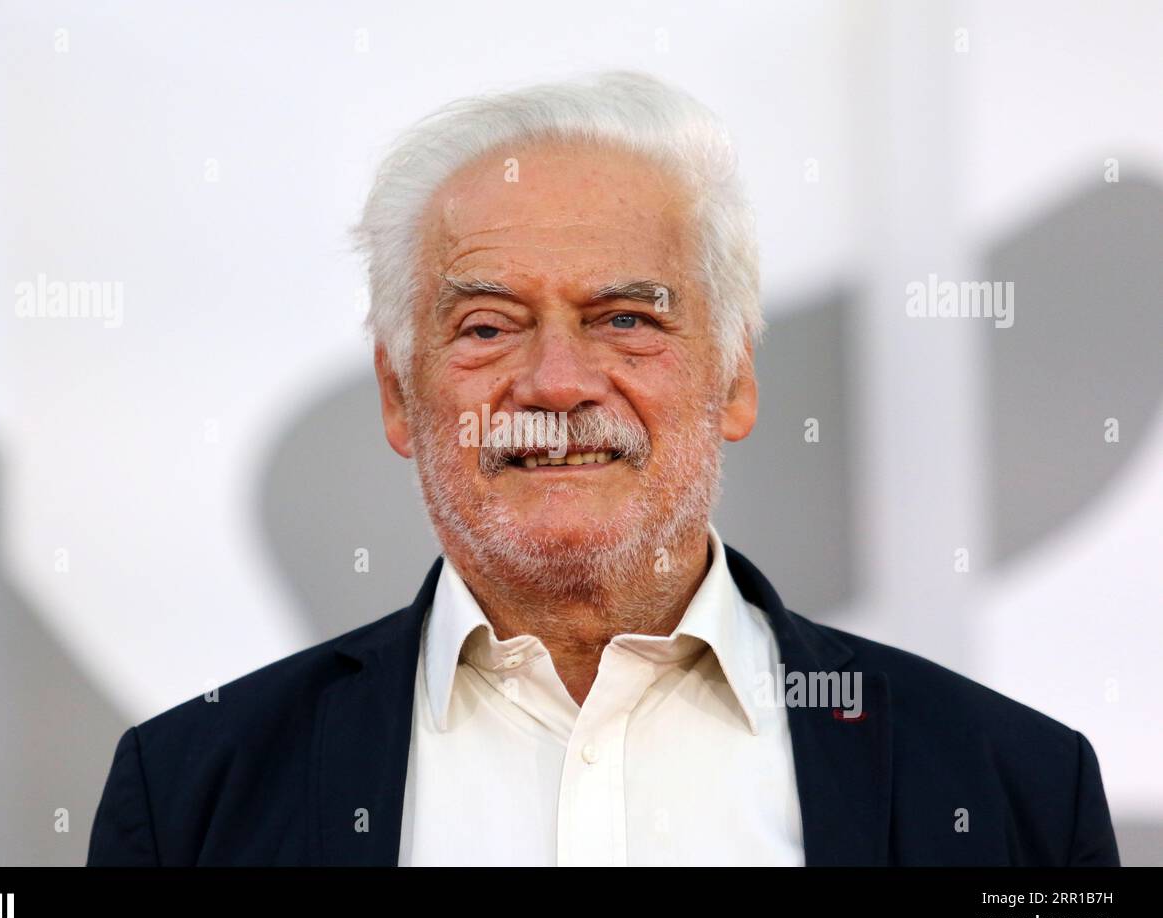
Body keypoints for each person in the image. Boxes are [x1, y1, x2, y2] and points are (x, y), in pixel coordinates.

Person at [87, 71, 1119, 866]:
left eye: (625, 318)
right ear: (401, 396)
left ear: (733, 379)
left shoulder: (1015, 788)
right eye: (487, 326)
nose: (556, 382)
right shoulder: (189, 797)